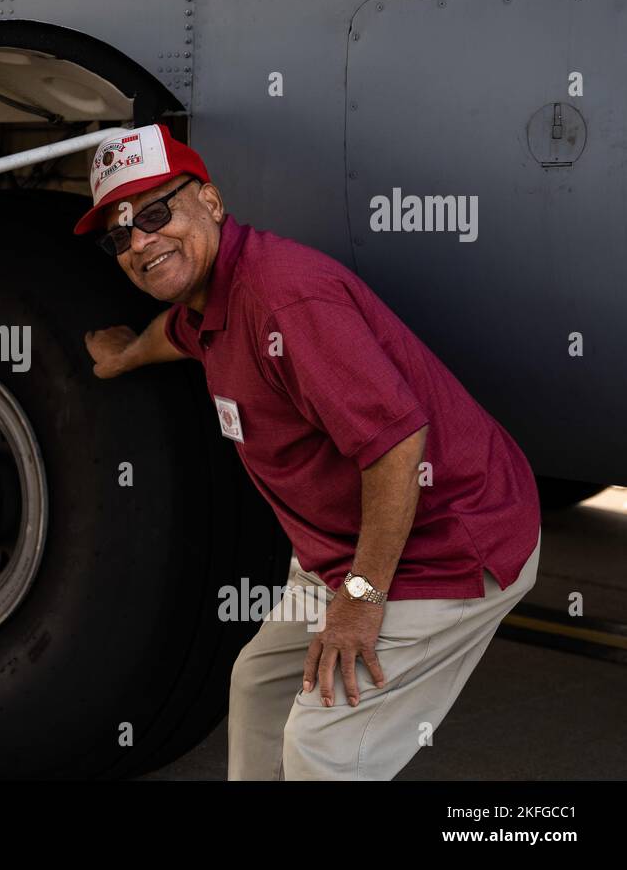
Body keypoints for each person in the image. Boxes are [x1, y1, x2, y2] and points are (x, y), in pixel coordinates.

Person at [79, 123, 541, 779]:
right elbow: (179, 335)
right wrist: (127, 354)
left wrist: (360, 599)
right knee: (258, 686)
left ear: (209, 201)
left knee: (322, 749)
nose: (140, 242)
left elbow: (397, 444)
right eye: (120, 235)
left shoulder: (282, 298)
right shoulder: (210, 301)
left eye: (154, 213)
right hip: (342, 551)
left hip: (445, 547)